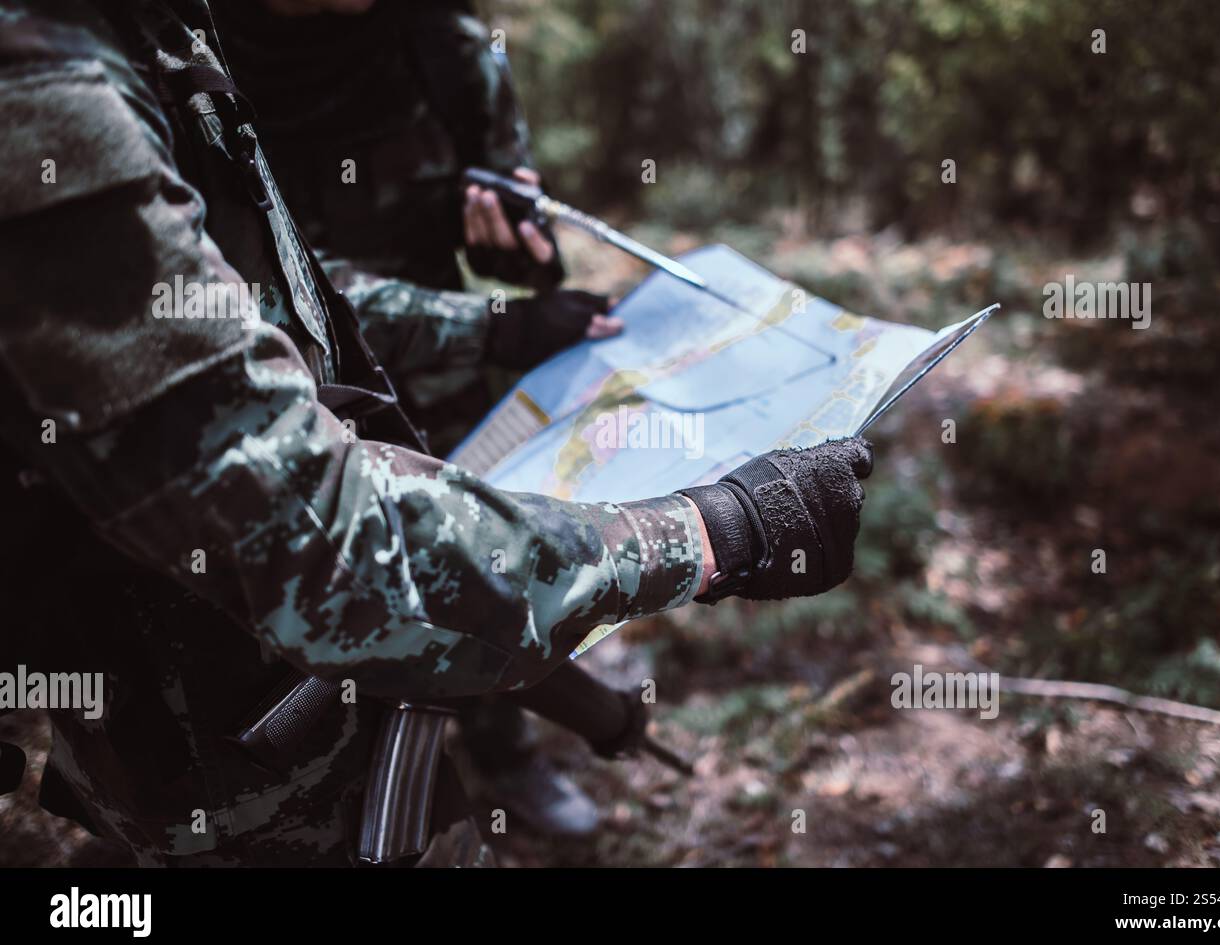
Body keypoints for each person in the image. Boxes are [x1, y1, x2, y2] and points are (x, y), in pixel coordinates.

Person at [0, 0, 874, 867]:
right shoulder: (46, 72)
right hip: (210, 727)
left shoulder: (160, 30)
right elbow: (319, 540)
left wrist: (495, 320)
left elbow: (261, 291)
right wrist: (715, 530)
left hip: (265, 687)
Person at [209, 0, 617, 837]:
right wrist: (493, 323)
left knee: (482, 566)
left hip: (439, 388)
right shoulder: (192, 51)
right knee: (308, 624)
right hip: (279, 400)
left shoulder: (451, 47)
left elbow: (518, 217)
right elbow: (272, 290)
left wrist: (514, 257)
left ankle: (506, 752)